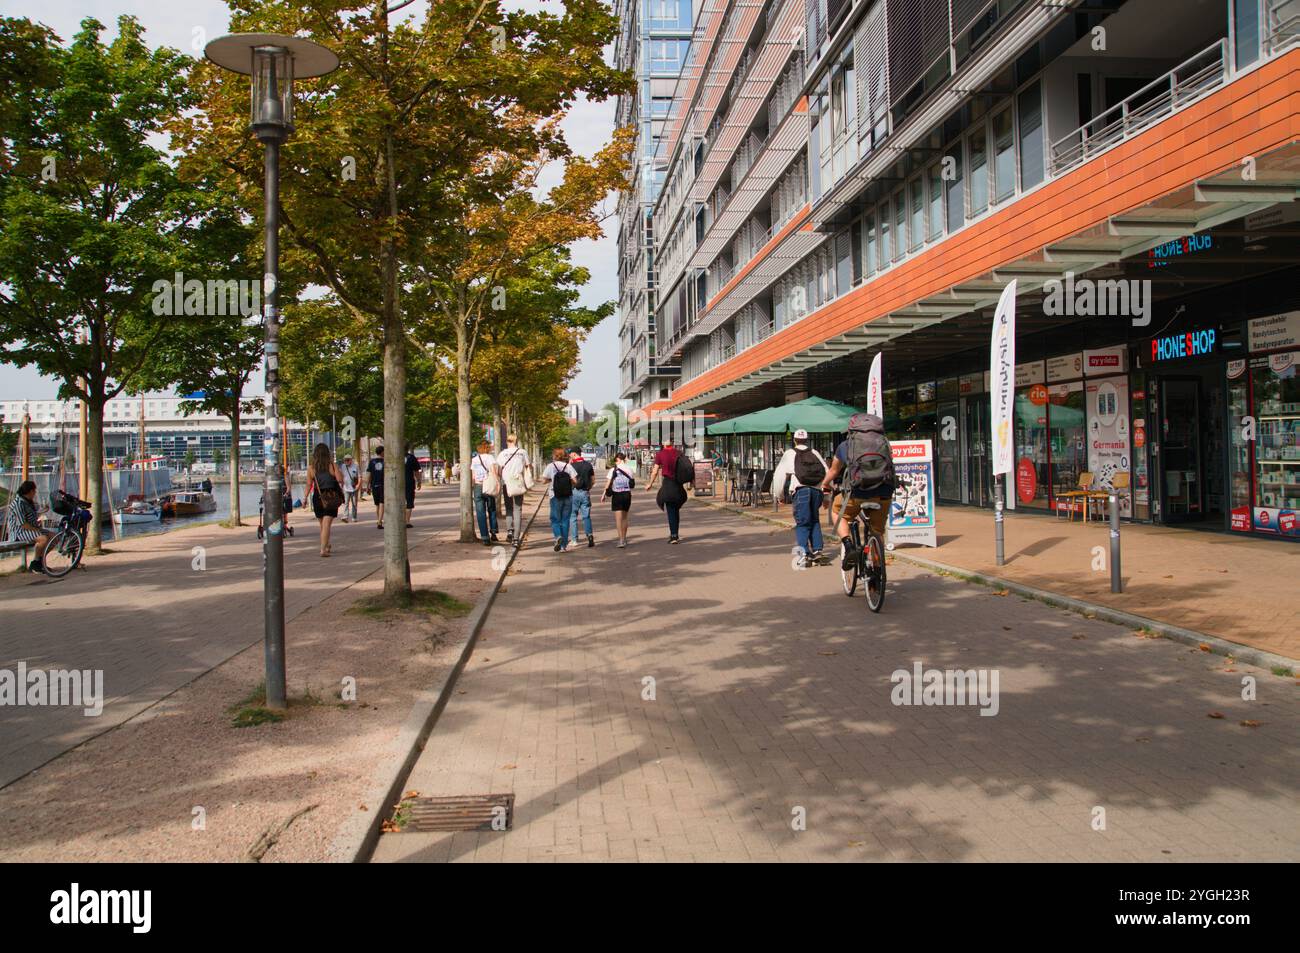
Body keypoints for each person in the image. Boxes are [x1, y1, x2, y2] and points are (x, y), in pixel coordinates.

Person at [819, 413, 896, 571]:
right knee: (877, 531)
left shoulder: (846, 446)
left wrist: (825, 484)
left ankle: (848, 546)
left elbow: (834, 471)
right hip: (883, 492)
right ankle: (876, 573)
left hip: (857, 492)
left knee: (837, 510)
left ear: (852, 430)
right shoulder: (885, 443)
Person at [773, 429, 829, 567]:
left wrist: (778, 495)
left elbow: (779, 476)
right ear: (807, 440)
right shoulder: (815, 453)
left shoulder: (790, 453)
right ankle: (817, 551)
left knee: (802, 522)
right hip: (816, 491)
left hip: (801, 490)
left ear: (795, 440)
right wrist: (827, 495)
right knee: (814, 520)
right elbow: (827, 472)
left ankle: (803, 554)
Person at [646, 438, 691, 543]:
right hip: (678, 485)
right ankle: (675, 533)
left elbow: (655, 471)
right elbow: (687, 467)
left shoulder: (660, 454)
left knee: (671, 510)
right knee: (675, 510)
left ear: (663, 444)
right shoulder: (679, 453)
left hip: (668, 484)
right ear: (672, 443)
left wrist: (650, 484)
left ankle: (674, 536)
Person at [5, 480, 53, 573]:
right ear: (31, 491)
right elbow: (23, 524)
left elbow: (32, 515)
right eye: (34, 491)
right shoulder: (18, 504)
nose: (35, 493)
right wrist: (37, 530)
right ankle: (36, 564)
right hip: (19, 532)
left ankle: (38, 561)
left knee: (53, 537)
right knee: (43, 539)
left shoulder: (27, 501)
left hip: (30, 528)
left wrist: (43, 511)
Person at [307, 443, 345, 557]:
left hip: (318, 498)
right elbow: (339, 479)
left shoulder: (311, 468)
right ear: (327, 453)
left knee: (323, 525)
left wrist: (304, 498)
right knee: (326, 524)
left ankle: (326, 544)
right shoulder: (332, 465)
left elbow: (308, 485)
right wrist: (336, 468)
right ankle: (323, 549)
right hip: (331, 497)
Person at [540, 448, 579, 552]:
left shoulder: (550, 466)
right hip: (568, 496)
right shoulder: (568, 466)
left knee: (555, 519)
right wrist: (570, 484)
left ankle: (558, 536)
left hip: (554, 495)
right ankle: (563, 546)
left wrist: (551, 479)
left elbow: (543, 480)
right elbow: (575, 481)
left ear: (554, 456)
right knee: (565, 520)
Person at [497, 433, 532, 543]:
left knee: (508, 508)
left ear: (507, 441)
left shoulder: (503, 453)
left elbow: (498, 468)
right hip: (518, 482)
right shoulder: (522, 452)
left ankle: (510, 531)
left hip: (506, 483)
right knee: (518, 509)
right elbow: (528, 466)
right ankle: (516, 538)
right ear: (516, 441)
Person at [601, 451, 635, 548]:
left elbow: (608, 483)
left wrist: (604, 494)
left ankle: (621, 540)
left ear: (619, 460)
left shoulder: (613, 470)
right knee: (625, 518)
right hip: (627, 494)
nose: (615, 462)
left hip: (617, 494)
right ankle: (624, 538)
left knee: (618, 519)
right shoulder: (630, 469)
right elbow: (631, 481)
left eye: (616, 460)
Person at [470, 441, 499, 545]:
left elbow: (473, 476)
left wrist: (473, 487)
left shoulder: (474, 460)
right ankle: (493, 532)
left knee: (480, 512)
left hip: (478, 486)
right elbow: (493, 471)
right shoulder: (490, 458)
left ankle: (485, 537)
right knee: (491, 509)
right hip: (488, 485)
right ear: (487, 448)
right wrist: (497, 483)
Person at [568, 447, 596, 548]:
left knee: (573, 516)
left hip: (574, 492)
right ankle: (589, 535)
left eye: (570, 453)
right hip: (585, 492)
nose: (569, 455)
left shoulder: (571, 466)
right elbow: (593, 480)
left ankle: (574, 539)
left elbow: (569, 480)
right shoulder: (588, 465)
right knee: (586, 516)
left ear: (574, 454)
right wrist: (588, 488)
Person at [365, 445, 386, 529]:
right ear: (382, 452)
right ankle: (380, 521)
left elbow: (369, 475)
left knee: (377, 504)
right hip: (383, 485)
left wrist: (368, 486)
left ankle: (378, 519)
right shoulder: (386, 461)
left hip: (374, 485)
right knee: (382, 503)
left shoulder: (371, 462)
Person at [404, 444, 421, 528]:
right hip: (409, 482)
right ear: (408, 448)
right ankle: (407, 521)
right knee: (409, 501)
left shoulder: (395, 457)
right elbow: (416, 471)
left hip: (396, 483)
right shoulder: (411, 458)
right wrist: (419, 481)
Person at [339, 453, 360, 523]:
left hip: (354, 488)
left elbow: (360, 477)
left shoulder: (356, 466)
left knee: (354, 503)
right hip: (346, 488)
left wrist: (358, 485)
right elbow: (341, 476)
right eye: (345, 460)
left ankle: (354, 517)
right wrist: (341, 486)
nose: (346, 462)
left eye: (348, 460)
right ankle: (345, 516)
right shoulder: (343, 466)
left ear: (351, 460)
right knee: (346, 503)